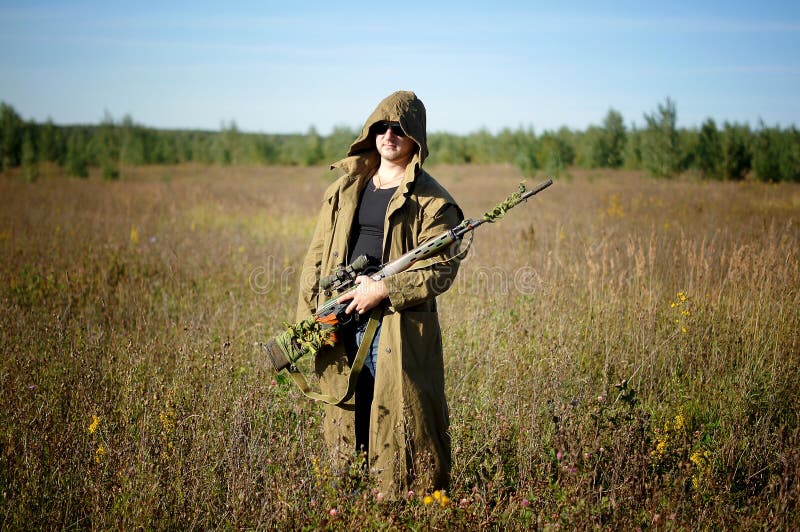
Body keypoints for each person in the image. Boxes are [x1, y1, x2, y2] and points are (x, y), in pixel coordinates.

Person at [295, 90, 463, 495]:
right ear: (371, 132)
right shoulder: (344, 189)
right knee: (346, 407)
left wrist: (384, 289)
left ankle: (399, 501)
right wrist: (307, 321)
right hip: (340, 317)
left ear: (415, 139)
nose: (390, 135)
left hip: (394, 326)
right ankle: (349, 495)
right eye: (382, 127)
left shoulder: (433, 201)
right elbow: (315, 261)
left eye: (400, 129)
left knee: (399, 413)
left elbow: (441, 267)